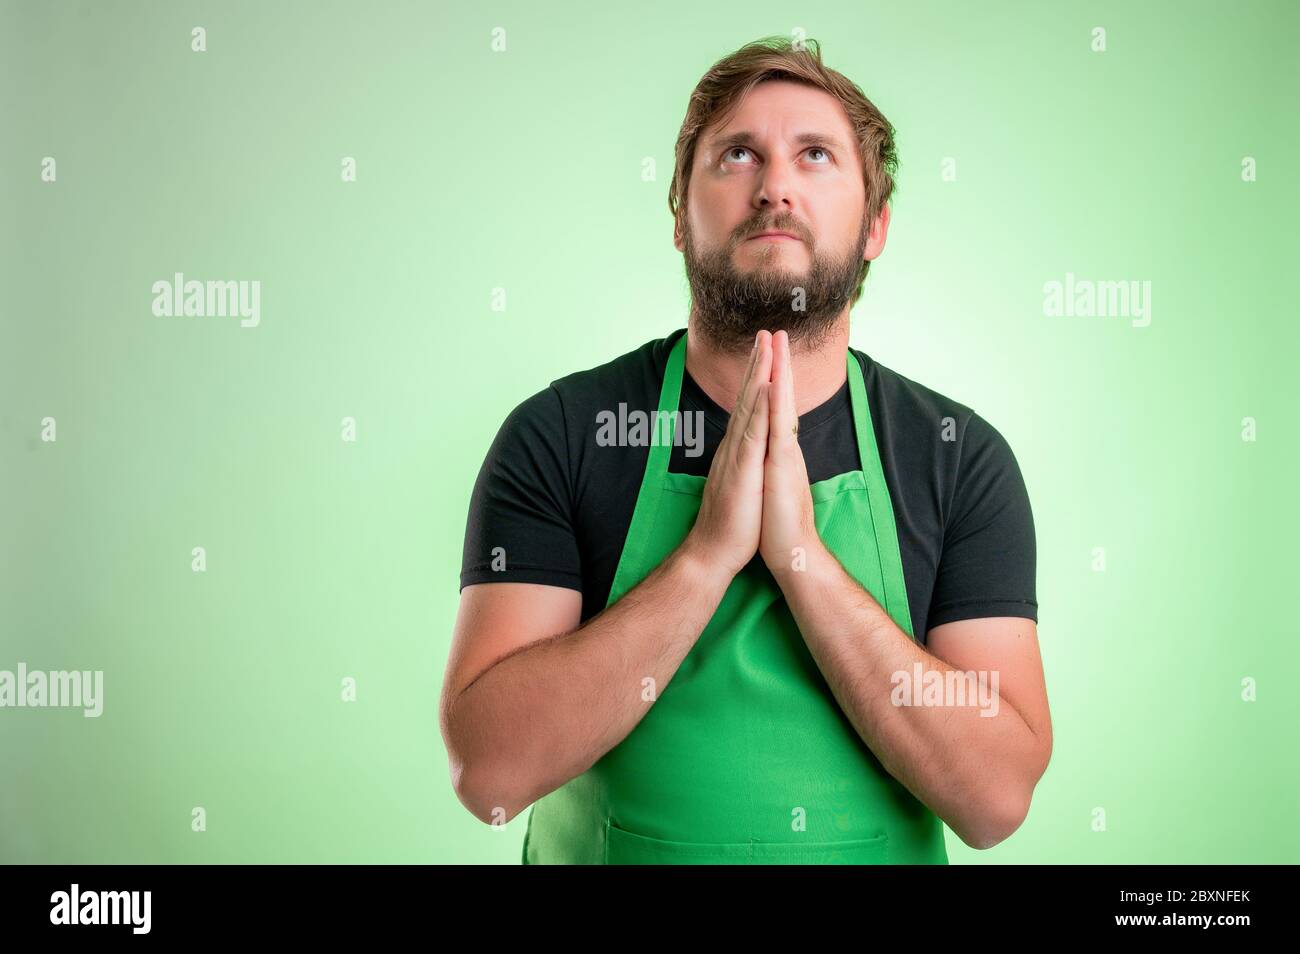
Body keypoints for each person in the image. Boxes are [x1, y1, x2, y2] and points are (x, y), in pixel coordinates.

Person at [442, 36, 1051, 864]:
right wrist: (705, 558)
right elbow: (491, 773)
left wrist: (800, 557)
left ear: (874, 227)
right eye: (737, 155)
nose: (775, 188)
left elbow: (993, 800)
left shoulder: (957, 458)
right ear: (680, 216)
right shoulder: (562, 434)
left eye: (815, 156)